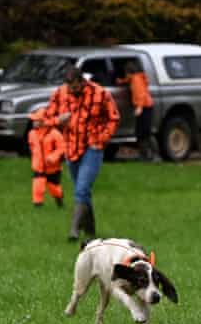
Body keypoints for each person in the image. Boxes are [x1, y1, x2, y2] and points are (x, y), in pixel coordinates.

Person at [43, 66, 120, 241]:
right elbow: (46, 118)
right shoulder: (60, 94)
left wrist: (102, 138)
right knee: (83, 193)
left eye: (75, 87)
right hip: (71, 147)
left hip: (93, 147)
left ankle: (74, 230)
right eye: (69, 88)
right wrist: (58, 120)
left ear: (82, 82)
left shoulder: (100, 93)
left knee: (82, 189)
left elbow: (114, 118)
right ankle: (91, 232)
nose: (72, 91)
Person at [119, 61, 156, 161]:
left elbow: (141, 94)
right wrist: (121, 81)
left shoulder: (136, 80)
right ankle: (147, 154)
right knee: (142, 131)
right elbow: (128, 80)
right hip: (146, 106)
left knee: (142, 132)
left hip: (144, 107)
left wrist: (139, 107)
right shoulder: (134, 77)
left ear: (128, 72)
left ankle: (149, 154)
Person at [28, 108, 64, 208]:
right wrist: (35, 158)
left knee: (54, 188)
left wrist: (53, 157)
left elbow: (62, 148)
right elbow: (32, 147)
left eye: (36, 120)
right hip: (38, 167)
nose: (33, 122)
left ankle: (59, 199)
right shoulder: (32, 134)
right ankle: (38, 206)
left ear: (44, 122)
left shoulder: (55, 134)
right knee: (37, 187)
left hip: (53, 168)